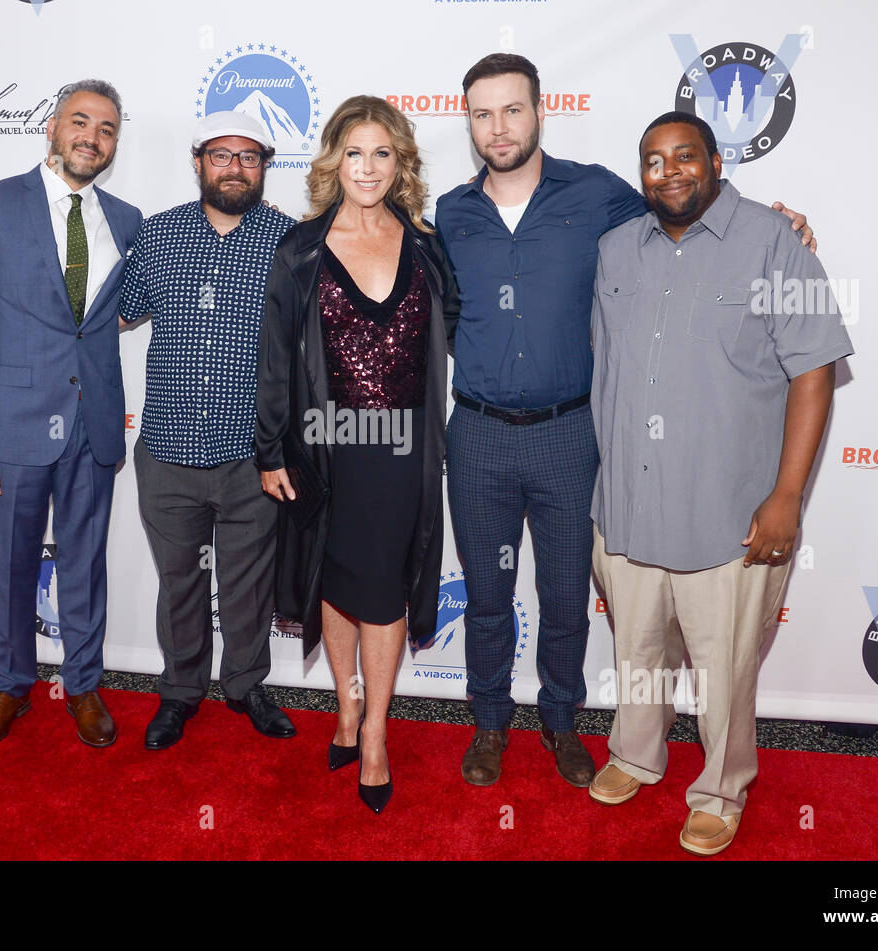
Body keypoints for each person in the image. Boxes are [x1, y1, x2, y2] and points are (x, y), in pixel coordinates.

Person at [435, 53, 814, 789]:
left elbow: (692, 208)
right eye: (482, 113)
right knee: (486, 593)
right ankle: (488, 724)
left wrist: (778, 221)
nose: (498, 127)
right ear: (469, 123)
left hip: (571, 434)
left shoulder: (601, 193)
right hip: (476, 431)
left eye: (512, 109)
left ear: (541, 111)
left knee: (569, 594)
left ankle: (561, 721)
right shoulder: (450, 212)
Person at [587, 112, 852, 855]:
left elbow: (814, 370)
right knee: (636, 653)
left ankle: (720, 787)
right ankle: (636, 753)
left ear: (714, 160)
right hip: (630, 507)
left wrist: (787, 497)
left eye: (685, 156)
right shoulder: (614, 250)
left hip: (729, 512)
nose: (670, 171)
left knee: (725, 666)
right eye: (653, 161)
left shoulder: (777, 245)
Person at [256, 96, 459, 813]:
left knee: (383, 590)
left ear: (400, 162)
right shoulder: (301, 248)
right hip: (325, 449)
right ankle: (345, 705)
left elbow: (456, 332)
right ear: (332, 161)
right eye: (354, 153)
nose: (368, 168)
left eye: (382, 153)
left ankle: (373, 732)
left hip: (402, 454)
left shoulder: (427, 245)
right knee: (334, 584)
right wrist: (272, 449)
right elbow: (274, 358)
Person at [0, 80, 142, 751]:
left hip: (95, 424)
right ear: (52, 127)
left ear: (115, 143)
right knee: (12, 562)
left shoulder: (128, 218)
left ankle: (82, 684)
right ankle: (11, 684)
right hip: (14, 424)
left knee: (85, 561)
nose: (92, 137)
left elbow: (112, 312)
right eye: (80, 122)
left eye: (106, 128)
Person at [117, 112, 297, 750]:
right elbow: (112, 319)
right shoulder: (158, 236)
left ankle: (247, 685)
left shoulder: (291, 242)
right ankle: (180, 691)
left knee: (248, 583)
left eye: (249, 158)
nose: (235, 168)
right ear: (198, 162)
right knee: (181, 581)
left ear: (264, 167)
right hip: (167, 451)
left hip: (254, 458)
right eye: (222, 156)